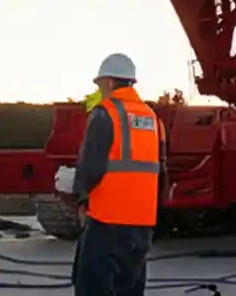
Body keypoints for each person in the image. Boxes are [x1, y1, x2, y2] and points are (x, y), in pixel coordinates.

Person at [71, 52, 168, 296]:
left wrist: (79, 197)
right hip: (142, 225)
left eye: (100, 84)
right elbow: (161, 170)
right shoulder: (151, 117)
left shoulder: (105, 113)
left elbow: (90, 165)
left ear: (109, 82)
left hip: (107, 220)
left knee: (92, 288)